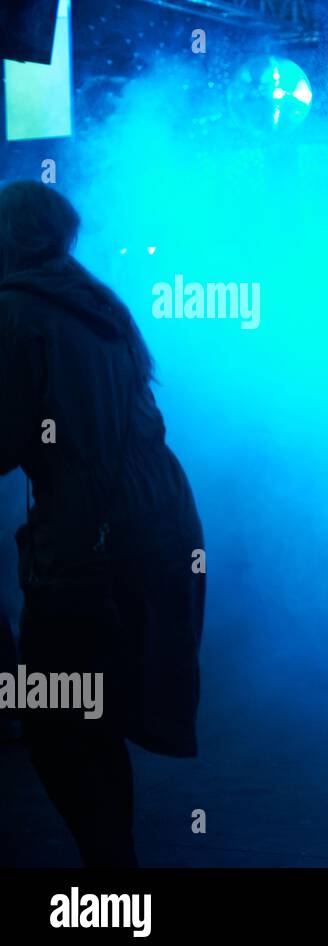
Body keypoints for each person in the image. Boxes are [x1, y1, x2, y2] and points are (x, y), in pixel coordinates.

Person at [0, 181, 206, 867]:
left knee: (61, 722)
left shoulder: (18, 311)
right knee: (94, 716)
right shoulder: (94, 301)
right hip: (162, 526)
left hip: (92, 542)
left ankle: (111, 892)